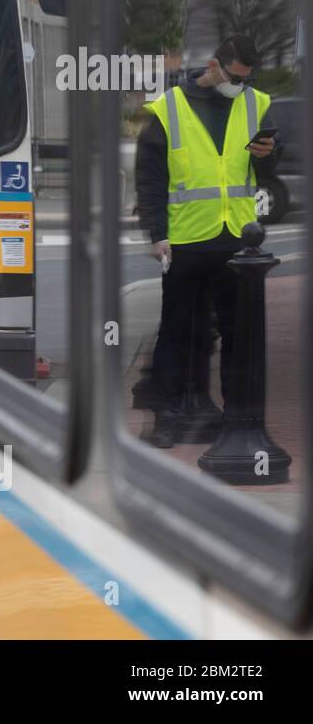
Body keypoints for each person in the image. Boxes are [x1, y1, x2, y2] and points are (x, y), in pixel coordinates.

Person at [134, 34, 279, 448]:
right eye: (235, 77)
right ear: (214, 66)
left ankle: (240, 420)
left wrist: (269, 153)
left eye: (246, 79)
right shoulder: (169, 108)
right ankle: (167, 418)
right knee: (177, 334)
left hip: (239, 241)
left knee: (239, 335)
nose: (240, 85)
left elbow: (267, 168)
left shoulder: (255, 103)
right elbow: (150, 178)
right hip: (186, 240)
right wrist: (158, 233)